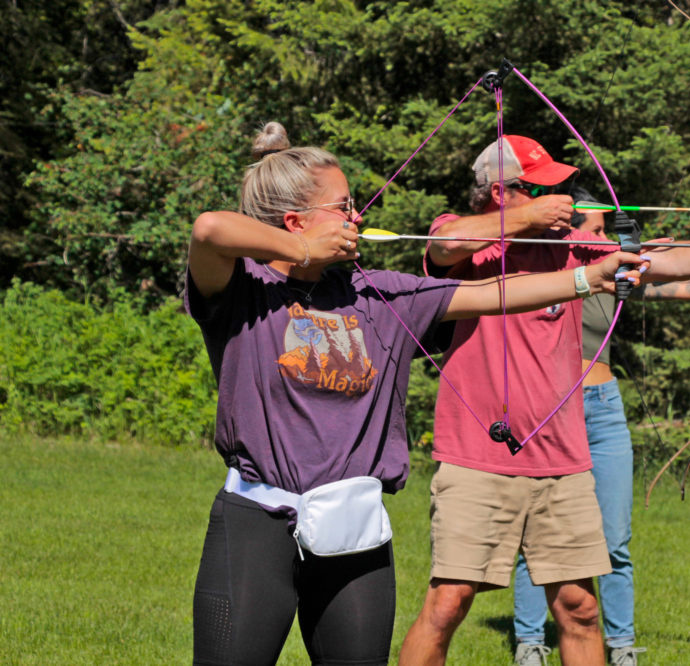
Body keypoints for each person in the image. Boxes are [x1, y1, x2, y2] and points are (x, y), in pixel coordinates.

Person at [185, 122, 646, 666]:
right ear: (294, 221)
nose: (355, 217)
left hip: (354, 533)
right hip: (255, 522)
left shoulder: (378, 295)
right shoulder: (245, 292)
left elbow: (493, 292)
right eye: (342, 206)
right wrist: (301, 248)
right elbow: (210, 228)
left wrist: (589, 278)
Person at [398, 135, 690, 666]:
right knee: (448, 604)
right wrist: (524, 220)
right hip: (479, 458)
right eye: (542, 191)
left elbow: (657, 263)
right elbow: (445, 245)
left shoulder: (569, 244)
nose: (562, 200)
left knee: (579, 608)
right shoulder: (468, 243)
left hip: (562, 460)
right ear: (502, 193)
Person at [512, 189, 690, 666]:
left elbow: (674, 282)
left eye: (604, 228)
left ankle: (621, 645)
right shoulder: (542, 270)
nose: (601, 236)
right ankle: (530, 642)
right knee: (541, 537)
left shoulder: (615, 272)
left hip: (604, 407)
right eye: (591, 227)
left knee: (614, 539)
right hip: (551, 410)